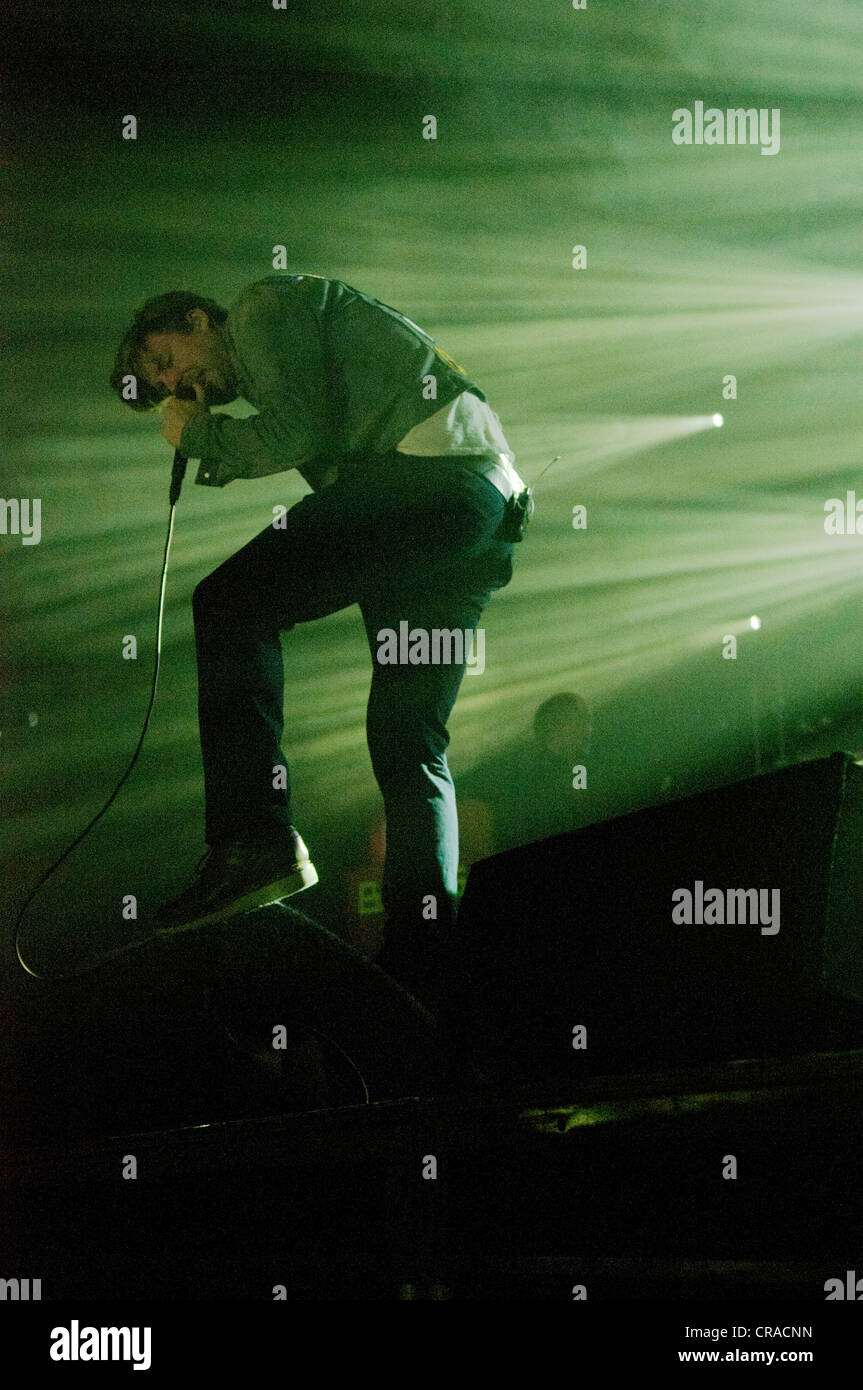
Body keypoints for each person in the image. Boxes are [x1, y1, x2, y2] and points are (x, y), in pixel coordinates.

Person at [110, 273, 526, 1002]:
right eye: (160, 384)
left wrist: (199, 434)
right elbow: (304, 438)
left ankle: (254, 840)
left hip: (426, 484)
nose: (176, 382)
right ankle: (422, 960)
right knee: (408, 744)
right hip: (474, 510)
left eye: (166, 362)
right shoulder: (287, 344)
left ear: (201, 320)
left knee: (228, 604)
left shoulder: (261, 308)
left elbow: (296, 430)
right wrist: (218, 437)